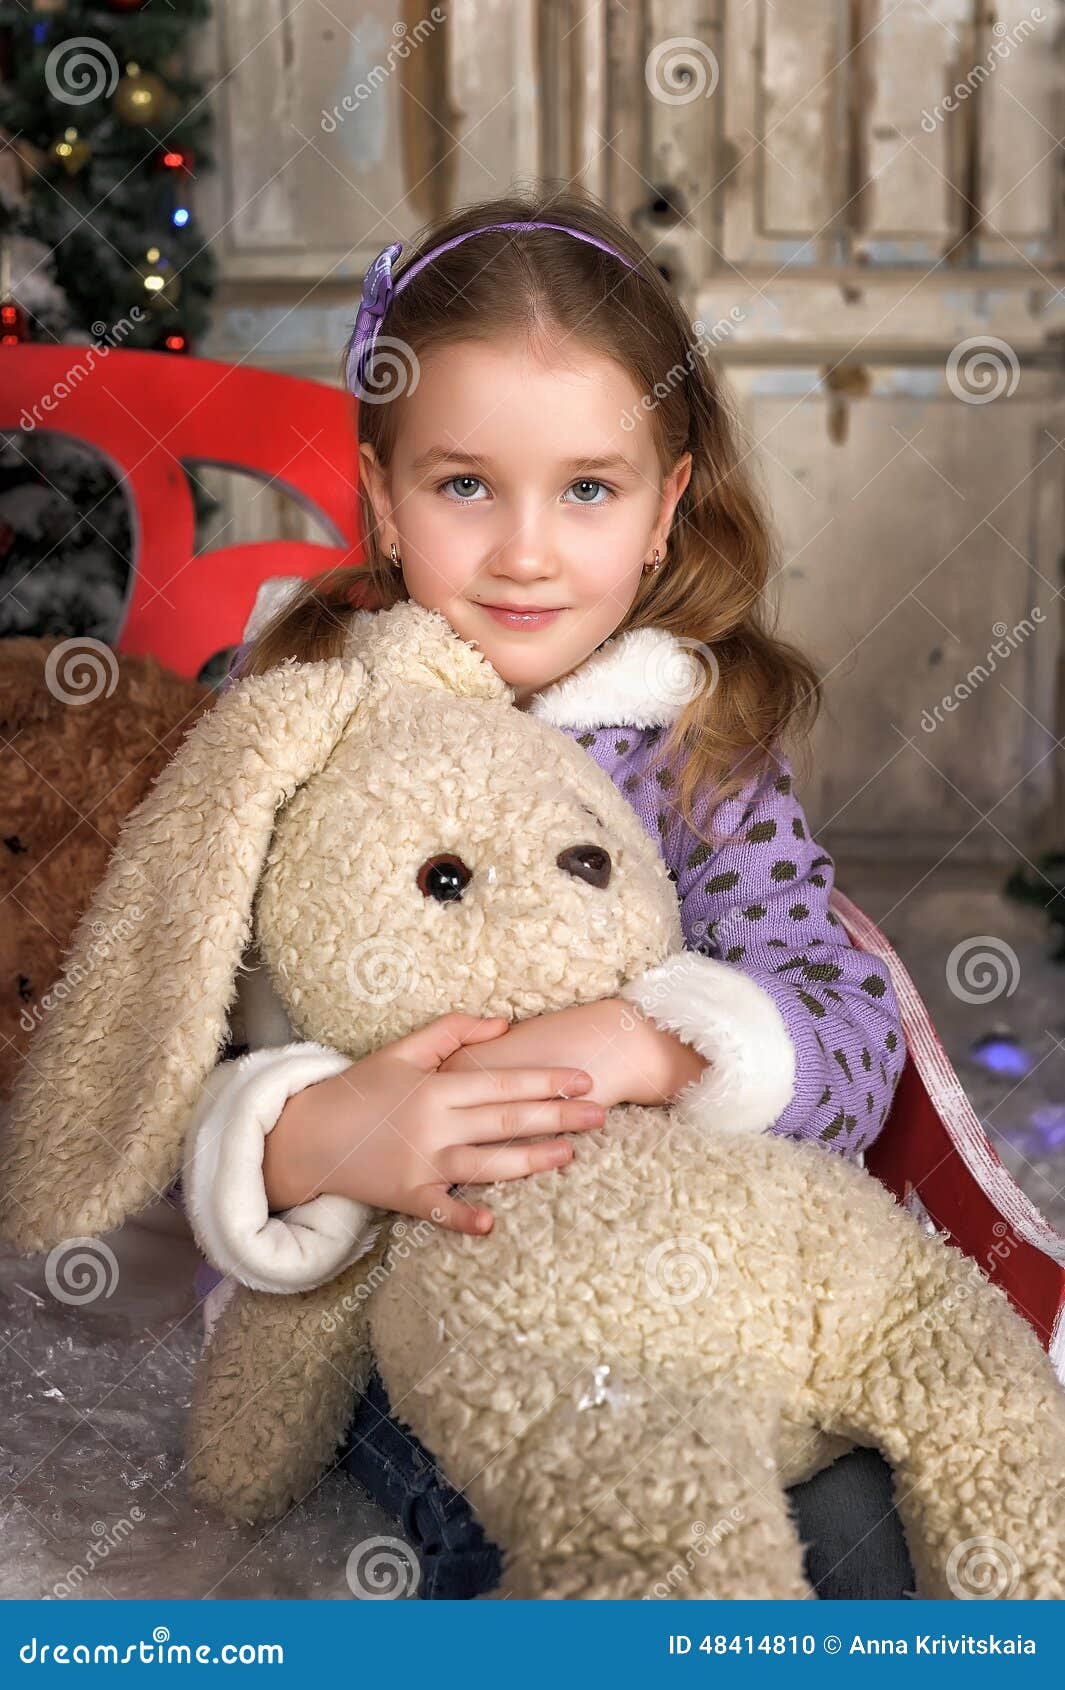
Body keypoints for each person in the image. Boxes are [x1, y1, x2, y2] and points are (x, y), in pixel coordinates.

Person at [176, 185, 914, 1600]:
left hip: (685, 1257)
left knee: (853, 1513)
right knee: (557, 1501)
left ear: (662, 509)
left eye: (587, 487)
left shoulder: (698, 747)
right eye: (465, 485)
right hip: (419, 1291)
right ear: (383, 498)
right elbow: (167, 1045)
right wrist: (315, 1134)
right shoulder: (295, 722)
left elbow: (849, 1027)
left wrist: (654, 1042)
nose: (525, 549)